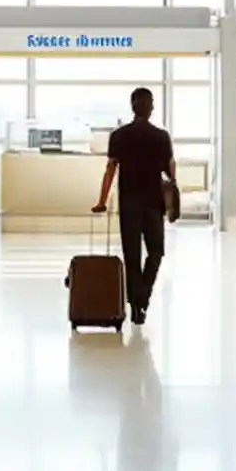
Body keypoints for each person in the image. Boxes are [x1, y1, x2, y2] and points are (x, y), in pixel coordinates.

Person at [91, 87, 176, 326]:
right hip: (153, 204)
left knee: (132, 256)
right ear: (151, 107)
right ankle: (143, 299)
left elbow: (110, 169)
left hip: (129, 203)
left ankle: (136, 302)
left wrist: (102, 201)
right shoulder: (161, 136)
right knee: (156, 252)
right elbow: (170, 171)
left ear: (132, 106)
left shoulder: (119, 136)